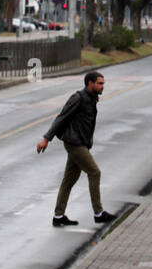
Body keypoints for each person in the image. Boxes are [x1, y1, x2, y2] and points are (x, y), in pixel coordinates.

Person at [37, 71, 117, 227]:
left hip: (81, 142)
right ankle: (98, 212)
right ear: (90, 83)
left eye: (103, 84)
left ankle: (58, 216)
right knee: (94, 172)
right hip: (74, 143)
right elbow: (61, 118)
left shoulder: (92, 99)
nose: (102, 86)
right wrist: (46, 138)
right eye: (100, 83)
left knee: (69, 180)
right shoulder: (78, 98)